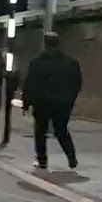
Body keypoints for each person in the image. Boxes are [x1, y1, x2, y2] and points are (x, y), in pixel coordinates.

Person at [21, 32, 82, 170]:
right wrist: (70, 99)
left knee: (40, 131)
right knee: (61, 130)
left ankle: (42, 160)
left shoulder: (37, 63)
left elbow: (30, 84)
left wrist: (26, 103)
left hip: (42, 102)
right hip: (62, 103)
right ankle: (71, 157)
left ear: (45, 43)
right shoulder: (71, 63)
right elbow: (77, 83)